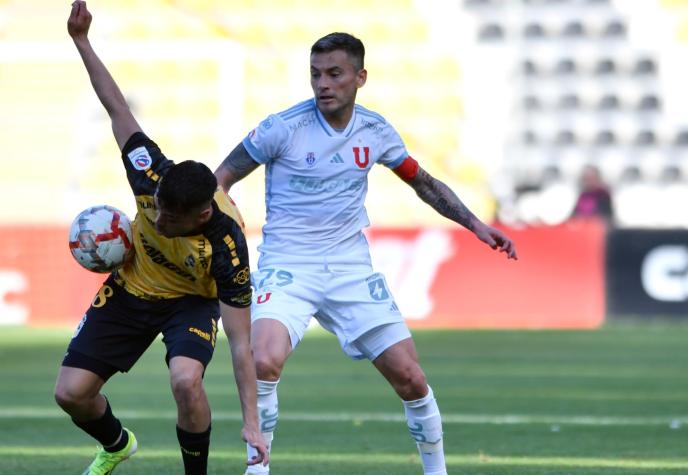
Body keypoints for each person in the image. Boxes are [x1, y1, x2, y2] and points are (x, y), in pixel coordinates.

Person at [214, 32, 518, 475]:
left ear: (360, 77)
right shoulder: (282, 128)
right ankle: (257, 469)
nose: (323, 84)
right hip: (287, 266)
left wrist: (475, 224)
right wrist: (228, 224)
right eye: (316, 75)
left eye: (335, 74)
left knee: (411, 378)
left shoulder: (376, 132)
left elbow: (423, 182)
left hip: (350, 269)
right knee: (265, 358)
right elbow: (219, 179)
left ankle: (437, 471)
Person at [55, 3, 267, 474]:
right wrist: (82, 41)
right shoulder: (151, 174)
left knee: (186, 381)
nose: (159, 220)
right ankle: (115, 444)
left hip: (190, 302)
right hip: (132, 287)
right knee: (70, 394)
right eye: (158, 211)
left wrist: (252, 422)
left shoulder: (227, 246)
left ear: (204, 213)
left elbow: (239, 342)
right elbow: (116, 108)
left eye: (173, 219)